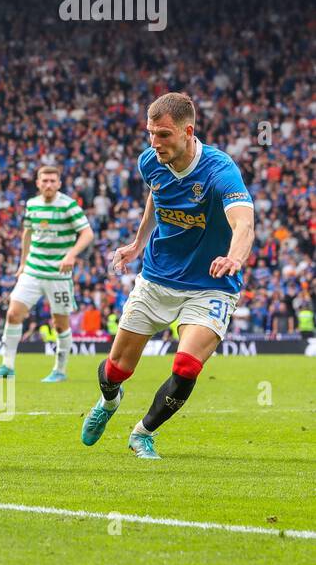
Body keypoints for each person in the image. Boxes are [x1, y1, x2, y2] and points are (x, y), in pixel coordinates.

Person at [82, 93, 254, 460]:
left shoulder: (219, 171)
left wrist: (234, 257)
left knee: (187, 364)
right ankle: (109, 401)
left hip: (210, 284)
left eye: (163, 135)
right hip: (158, 276)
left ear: (188, 132)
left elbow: (245, 222)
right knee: (116, 369)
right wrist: (138, 242)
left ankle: (143, 433)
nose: (154, 143)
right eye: (150, 134)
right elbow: (155, 196)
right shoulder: (151, 161)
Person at [0, 164, 93, 383]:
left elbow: (87, 233)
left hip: (58, 275)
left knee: (59, 323)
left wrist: (71, 255)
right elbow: (27, 232)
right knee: (13, 314)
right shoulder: (32, 205)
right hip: (33, 270)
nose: (49, 184)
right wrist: (22, 263)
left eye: (53, 180)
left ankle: (60, 370)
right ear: (38, 183)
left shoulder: (68, 205)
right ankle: (7, 366)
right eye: (45, 180)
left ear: (59, 183)